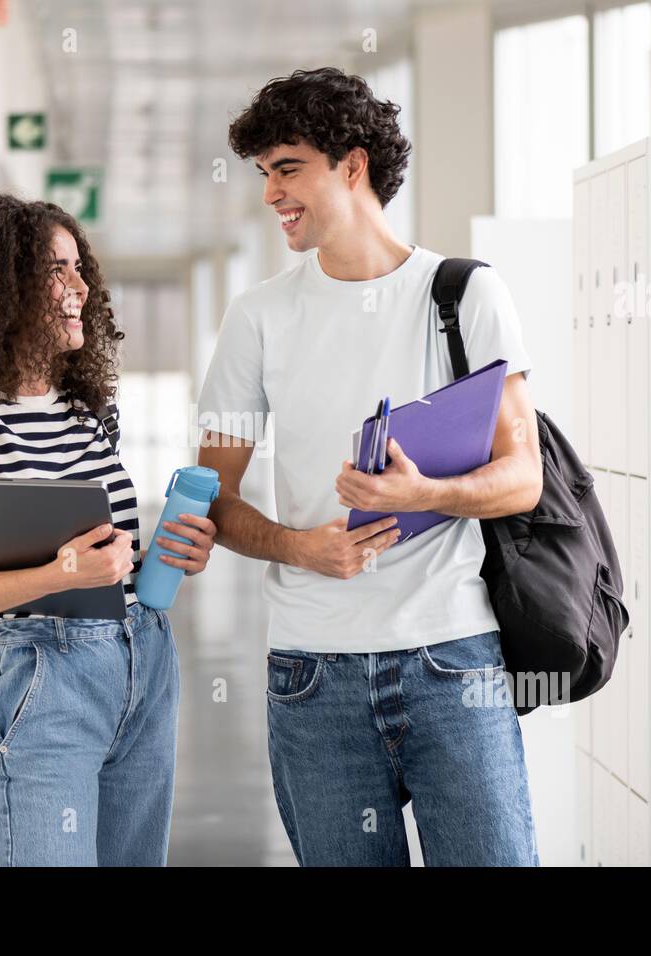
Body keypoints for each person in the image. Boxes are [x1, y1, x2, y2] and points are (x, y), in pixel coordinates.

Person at [196, 68, 542, 866]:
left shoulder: (464, 295)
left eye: (288, 169)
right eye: (264, 175)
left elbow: (522, 476)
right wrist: (298, 546)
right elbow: (215, 493)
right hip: (313, 676)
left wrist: (429, 493)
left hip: (452, 658)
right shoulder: (258, 318)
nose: (270, 195)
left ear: (351, 166)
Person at [0, 192, 217, 866]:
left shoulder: (88, 411)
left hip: (143, 659)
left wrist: (161, 555)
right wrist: (58, 575)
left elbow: (96, 553)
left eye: (77, 267)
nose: (78, 288)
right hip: (44, 673)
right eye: (53, 272)